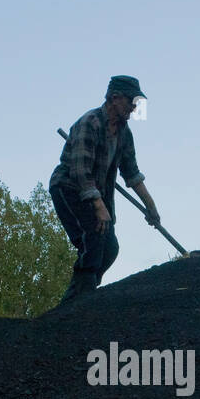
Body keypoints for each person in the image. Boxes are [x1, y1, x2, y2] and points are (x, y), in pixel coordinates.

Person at [49, 75, 161, 305]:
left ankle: (82, 295)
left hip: (96, 196)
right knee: (94, 237)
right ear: (114, 97)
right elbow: (81, 172)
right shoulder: (89, 123)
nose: (133, 107)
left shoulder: (124, 134)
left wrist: (151, 206)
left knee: (109, 248)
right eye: (131, 101)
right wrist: (99, 206)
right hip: (69, 189)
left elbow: (131, 173)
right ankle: (77, 302)